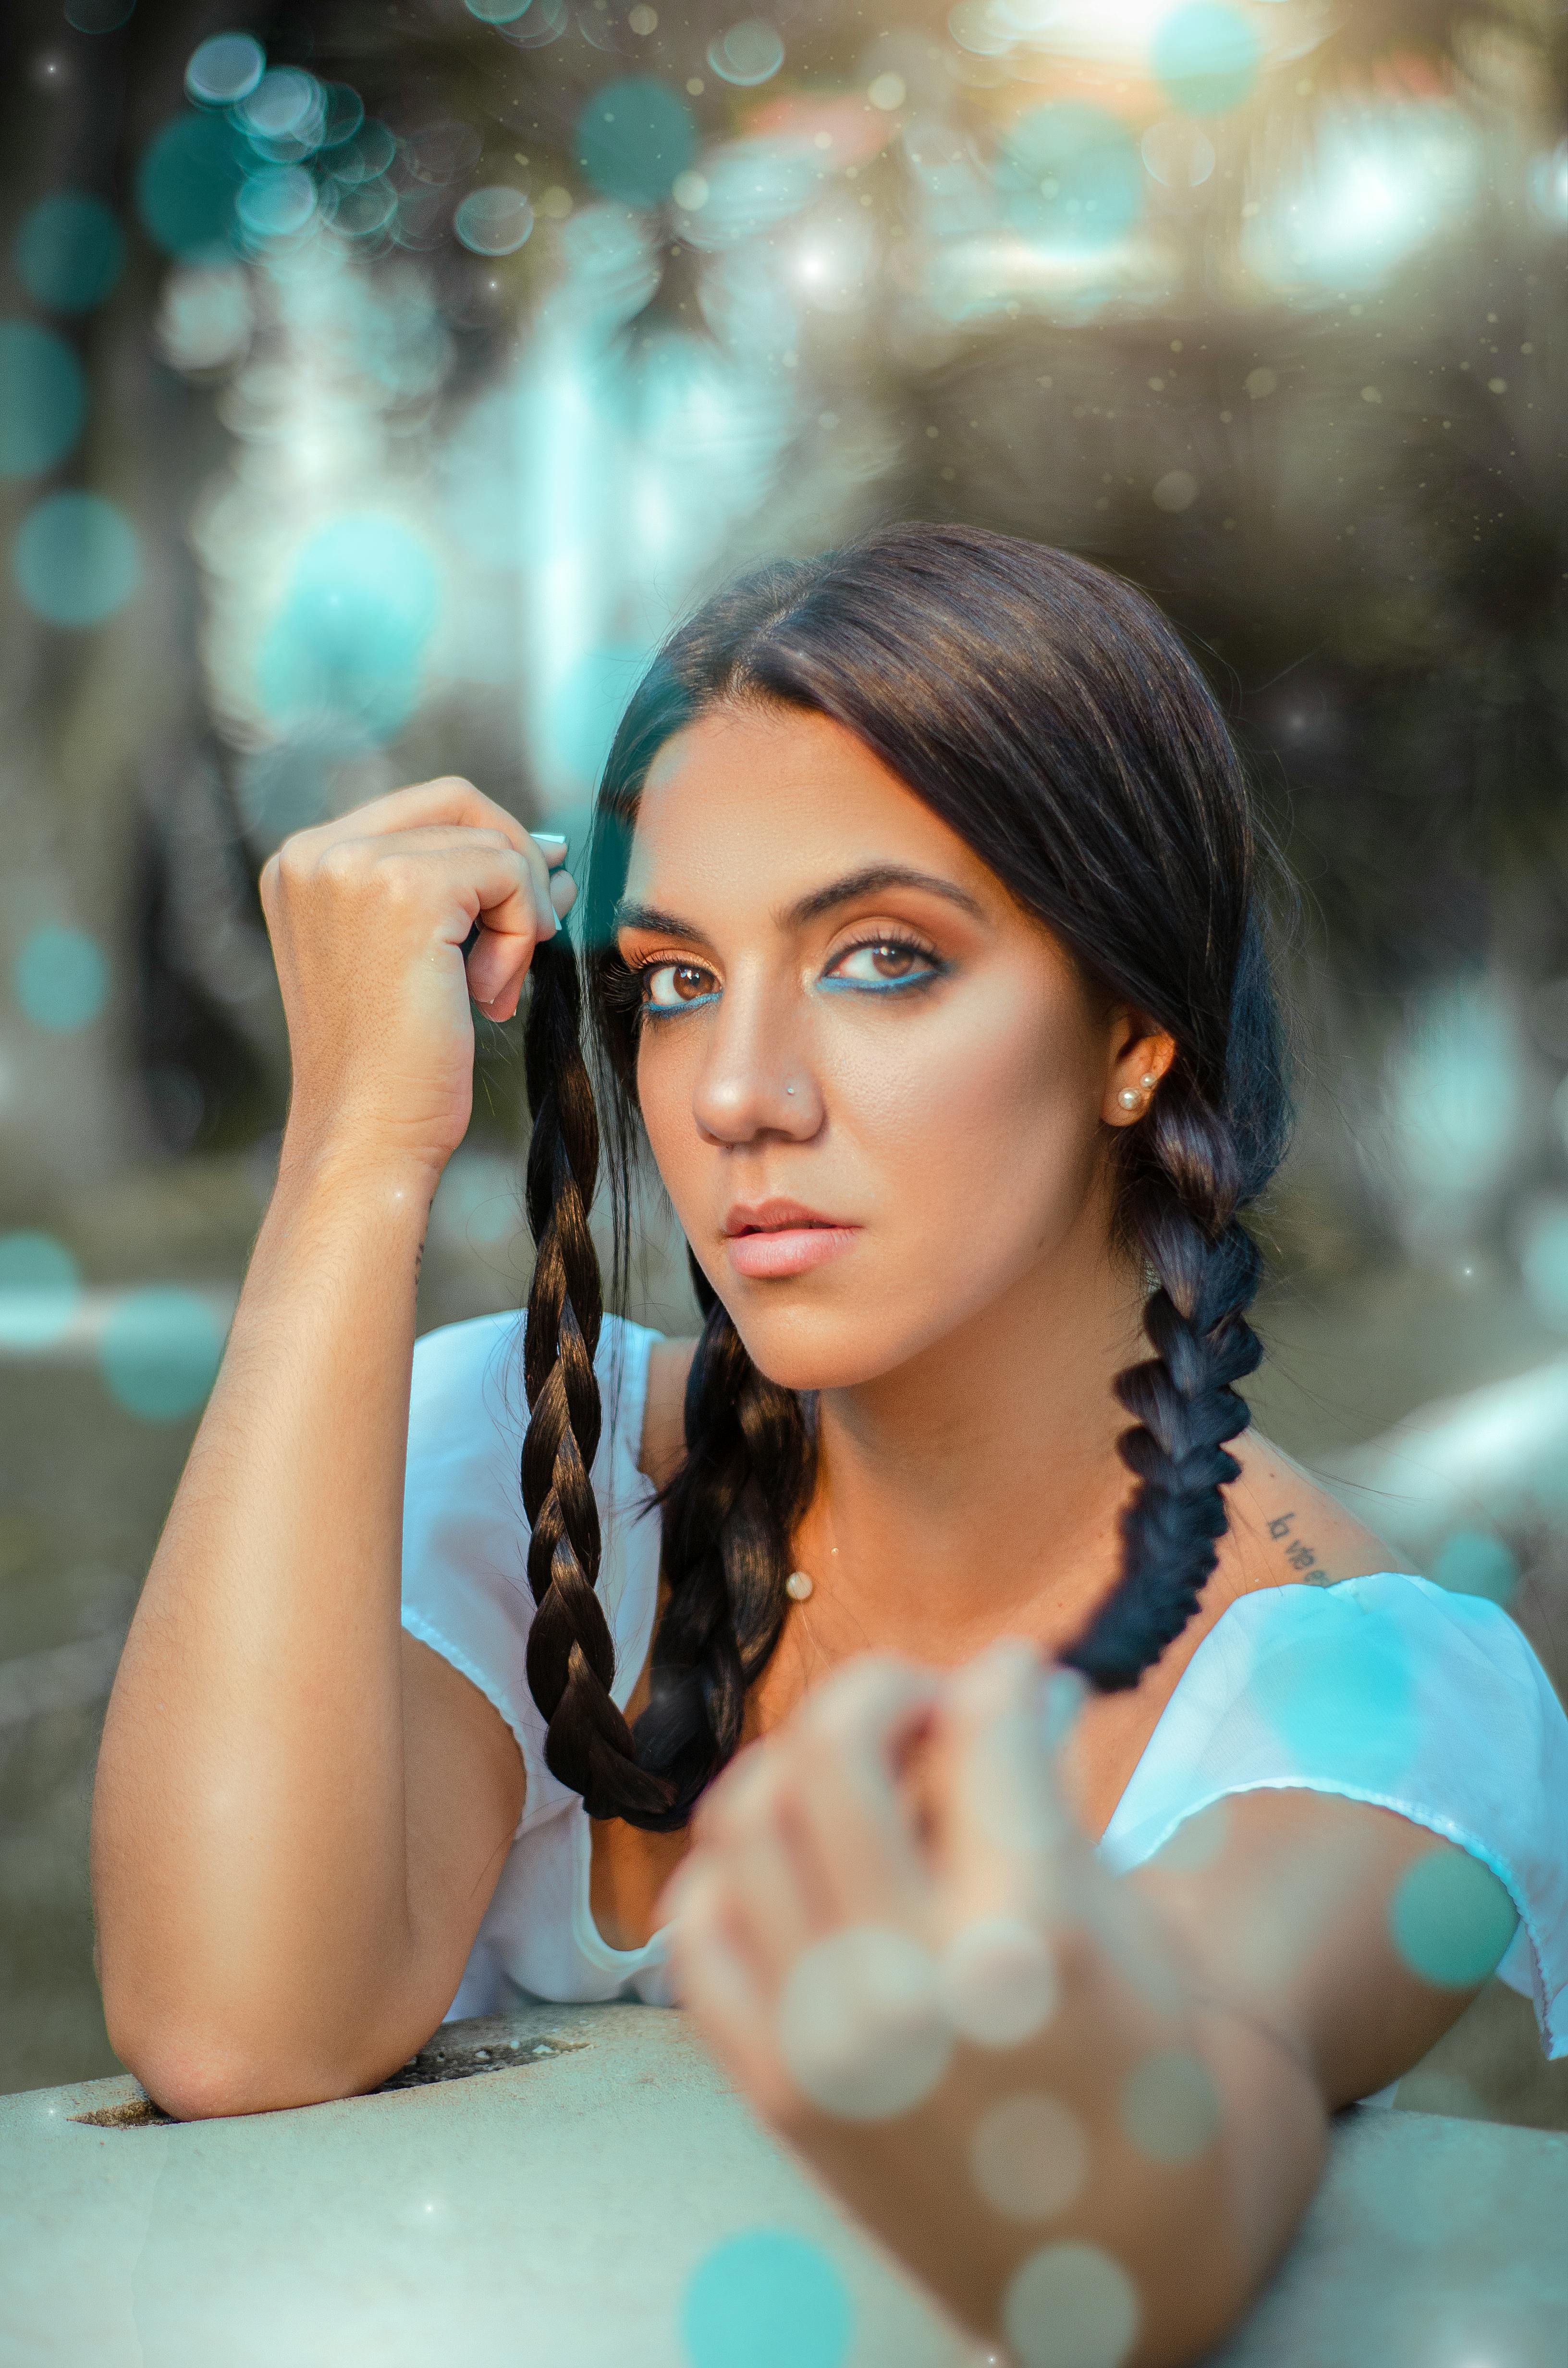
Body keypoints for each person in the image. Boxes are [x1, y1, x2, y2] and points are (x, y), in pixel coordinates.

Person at [91, 525, 1568, 2365]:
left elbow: (1169, 2188)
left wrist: (966, 2051)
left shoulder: (1368, 1689)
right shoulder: (537, 1473)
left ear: (1133, 1029)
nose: (737, 1096)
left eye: (881, 958)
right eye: (676, 982)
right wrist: (352, 1149)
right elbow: (238, 2031)